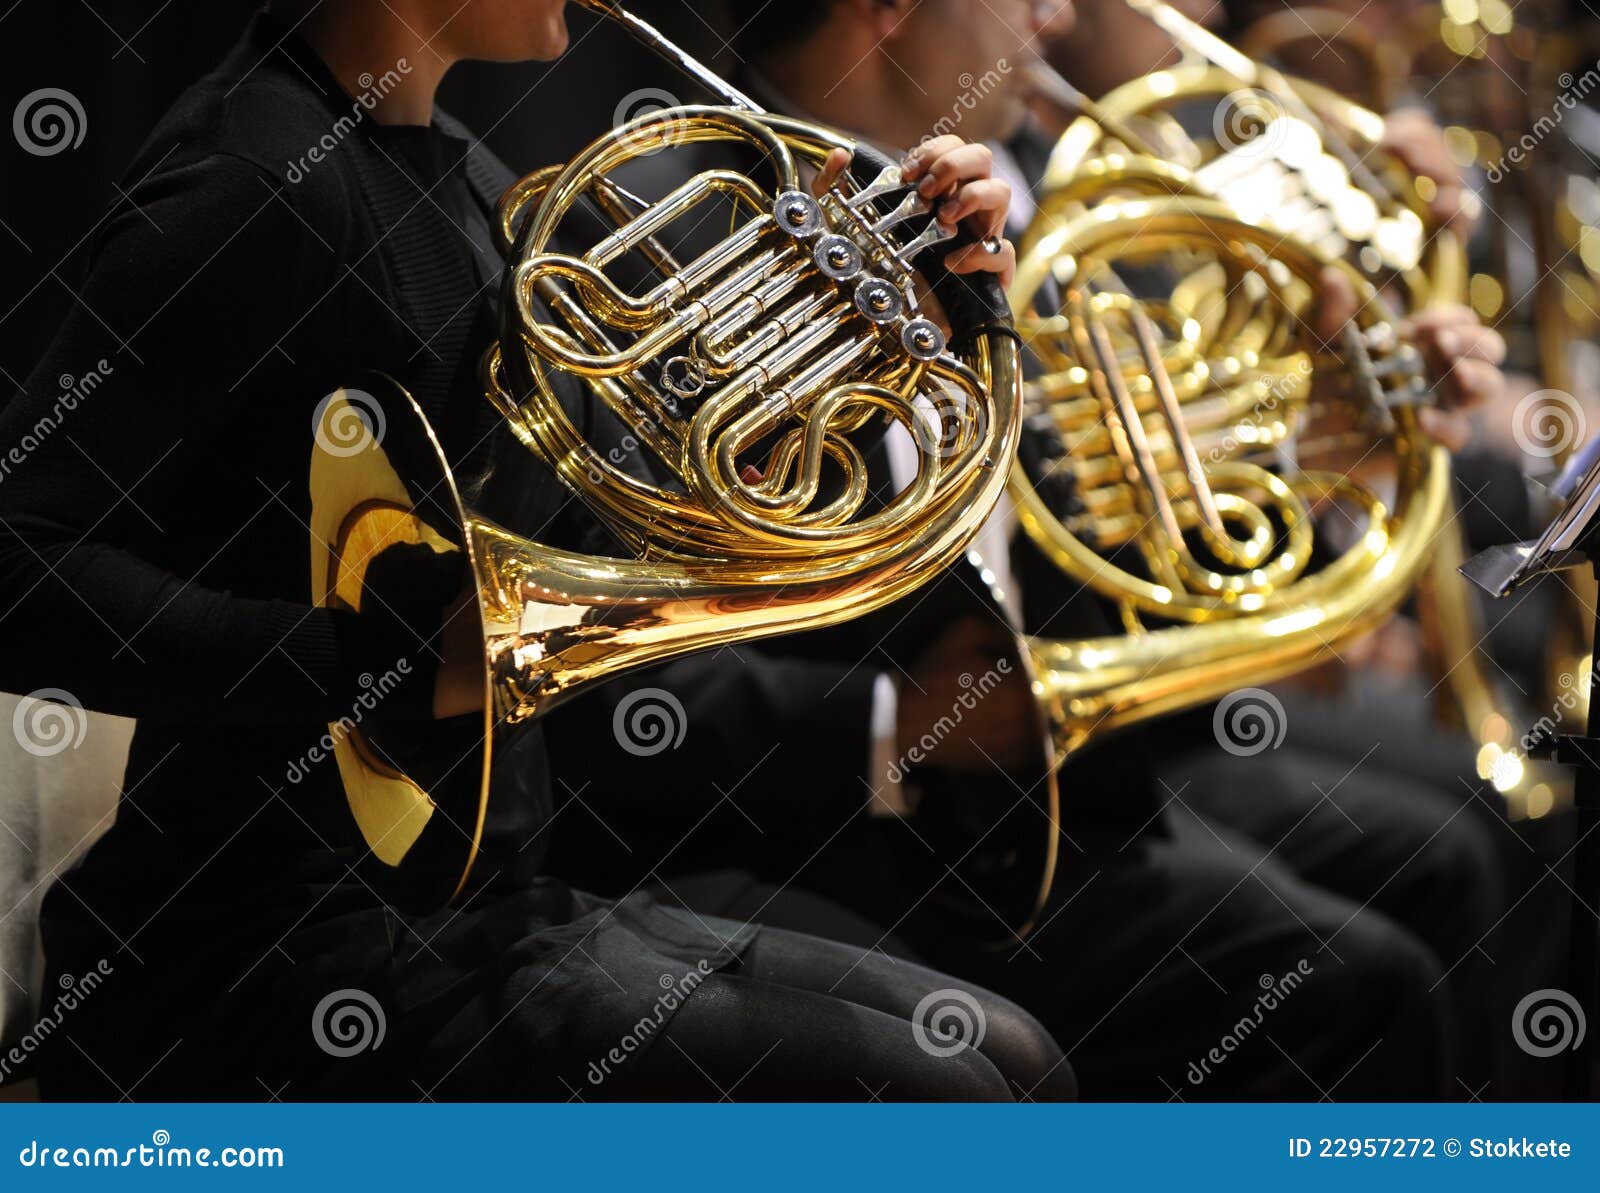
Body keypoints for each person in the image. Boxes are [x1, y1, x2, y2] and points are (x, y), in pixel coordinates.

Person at [0, 0, 1077, 1102]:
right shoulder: (257, 175)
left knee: (1015, 1059)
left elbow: (579, 519)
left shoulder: (453, 170)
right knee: (951, 1095)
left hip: (481, 904)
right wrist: (384, 661)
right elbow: (22, 564)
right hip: (261, 958)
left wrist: (890, 321)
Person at [540, 0, 1518, 1099]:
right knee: (1358, 977)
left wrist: (1322, 452)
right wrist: (904, 726)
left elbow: (1095, 544)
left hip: (1024, 794)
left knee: (1434, 874)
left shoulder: (970, 213)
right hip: (825, 824)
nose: (1054, 13)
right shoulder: (674, 232)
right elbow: (630, 674)